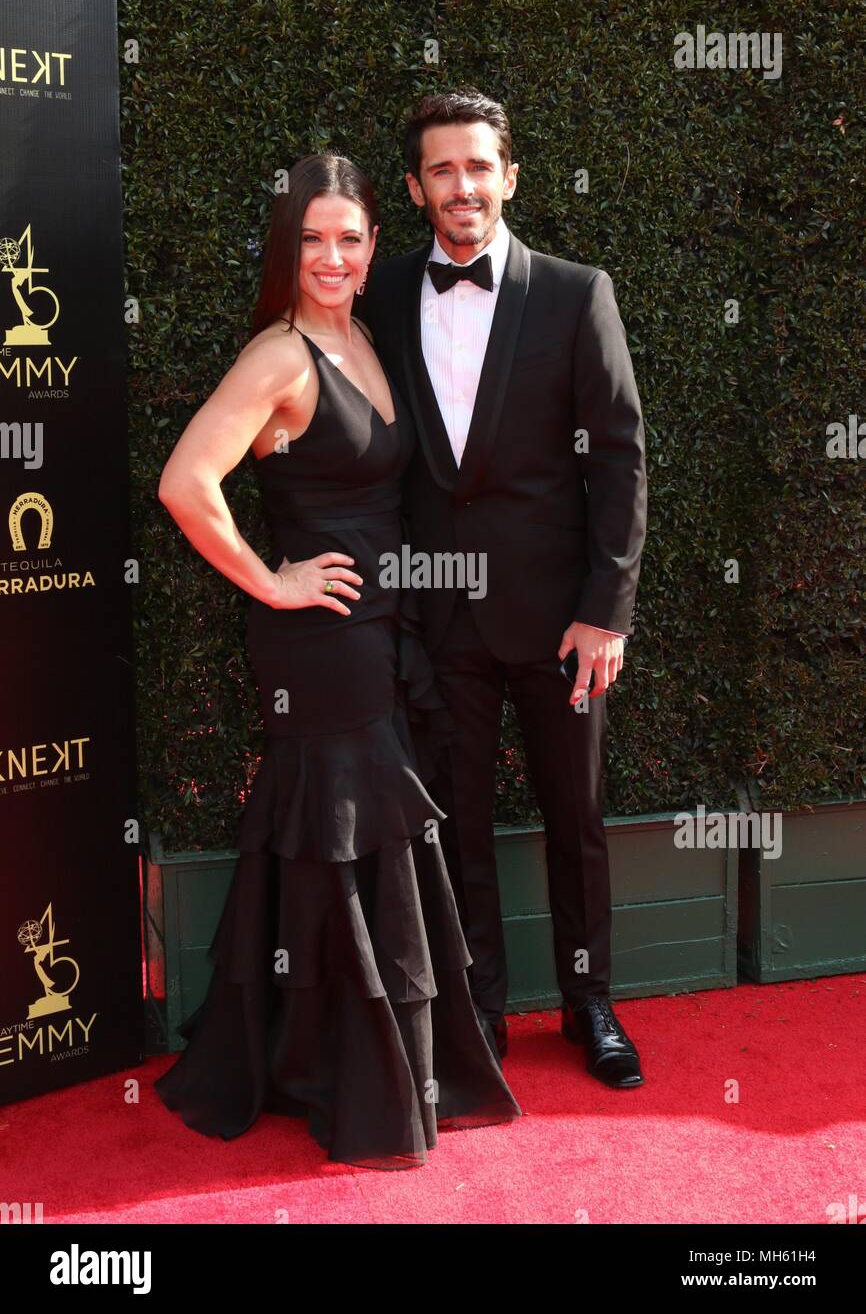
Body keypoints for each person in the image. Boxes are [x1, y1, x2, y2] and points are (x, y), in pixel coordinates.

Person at [153, 152, 521, 1168]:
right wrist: (273, 580)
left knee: (347, 836)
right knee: (355, 836)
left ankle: (311, 1056)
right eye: (311, 238)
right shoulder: (278, 354)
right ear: (286, 248)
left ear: (369, 246)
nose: (331, 255)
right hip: (321, 639)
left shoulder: (359, 335)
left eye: (348, 237)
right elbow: (186, 481)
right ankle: (355, 1080)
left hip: (381, 630)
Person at [353, 89, 648, 1087]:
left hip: (561, 617)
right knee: (458, 822)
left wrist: (604, 608)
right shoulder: (382, 296)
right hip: (438, 618)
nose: (462, 185)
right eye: (442, 169)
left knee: (577, 815)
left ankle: (588, 1001)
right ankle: (475, 1011)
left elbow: (617, 461)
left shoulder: (576, 293)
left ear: (509, 175)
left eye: (479, 165)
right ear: (414, 187)